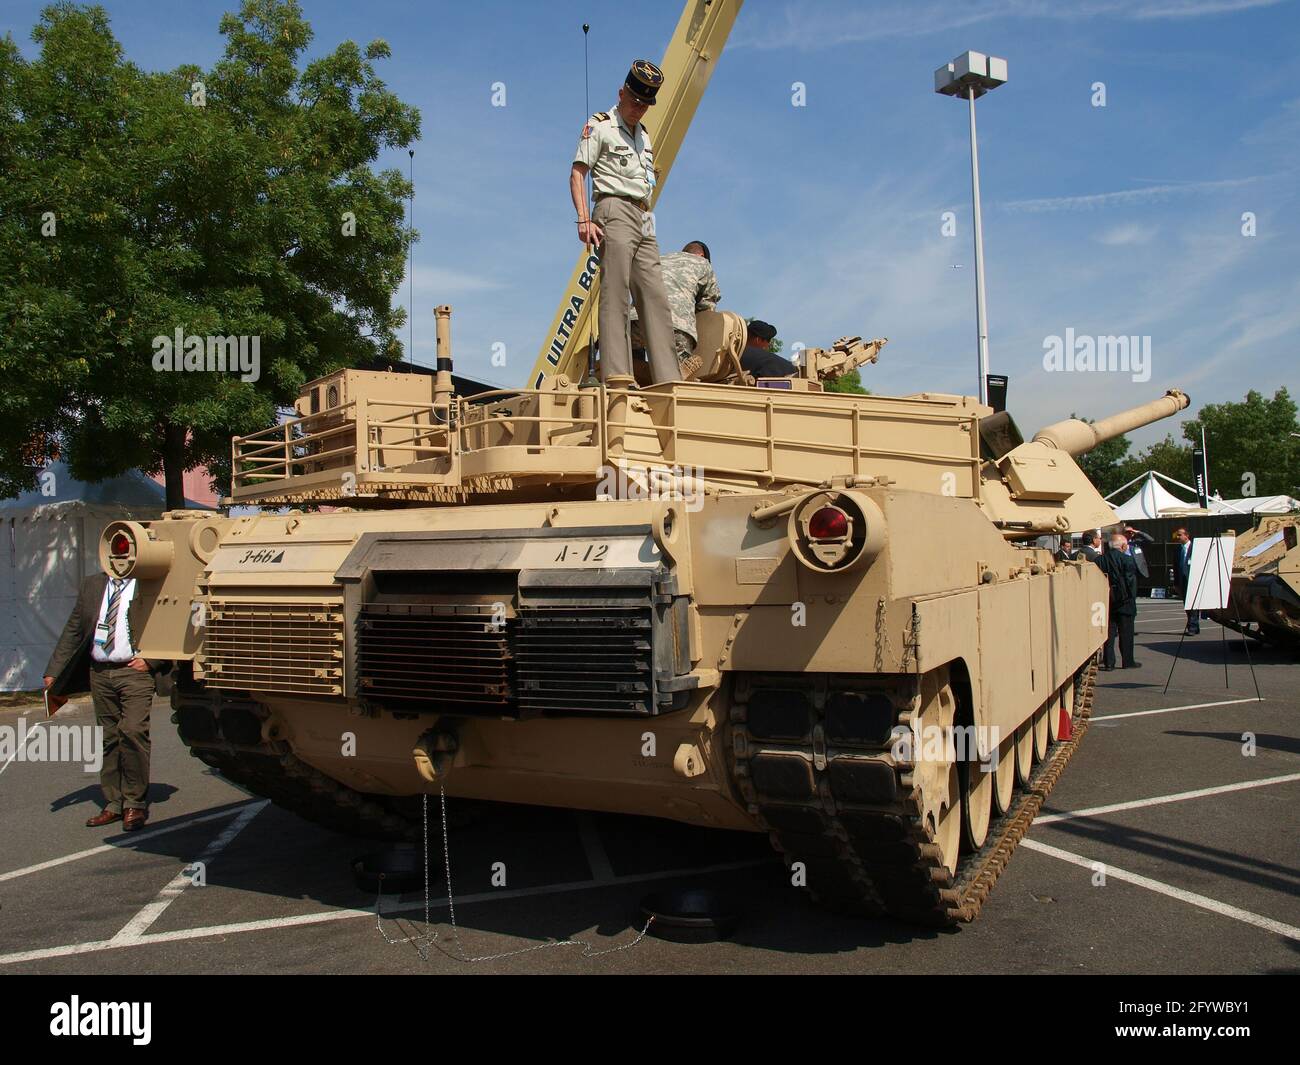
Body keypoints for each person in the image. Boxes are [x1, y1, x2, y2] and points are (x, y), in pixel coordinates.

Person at [571, 60, 677, 385]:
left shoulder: (645, 136)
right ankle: (618, 375)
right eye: (634, 101)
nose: (638, 108)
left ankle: (669, 380)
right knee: (615, 291)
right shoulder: (600, 125)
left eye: (645, 104)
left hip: (645, 215)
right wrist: (583, 219)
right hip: (613, 208)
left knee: (655, 296)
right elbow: (578, 173)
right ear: (621, 93)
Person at [44, 573, 170, 831]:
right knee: (109, 738)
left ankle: (134, 802)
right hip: (99, 672)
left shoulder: (149, 581)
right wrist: (54, 670)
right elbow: (74, 628)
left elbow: (170, 623)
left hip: (134, 672)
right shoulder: (93, 584)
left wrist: (153, 660)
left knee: (133, 731)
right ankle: (114, 803)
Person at [631, 240, 721, 378]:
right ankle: (678, 371)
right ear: (702, 255)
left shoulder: (660, 259)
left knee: (632, 364)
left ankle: (634, 373)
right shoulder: (703, 264)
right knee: (678, 378)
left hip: (636, 320)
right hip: (675, 324)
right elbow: (708, 306)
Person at [1094, 531, 1141, 670]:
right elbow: (1131, 582)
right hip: (1124, 601)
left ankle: (1109, 662)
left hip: (1106, 600)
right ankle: (1128, 661)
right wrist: (1131, 598)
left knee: (1108, 633)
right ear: (1124, 546)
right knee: (1126, 632)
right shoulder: (1127, 560)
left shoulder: (1099, 560)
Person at [1173, 527, 1200, 635]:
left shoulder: (1195, 548)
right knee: (1187, 604)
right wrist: (1175, 583)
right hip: (1182, 580)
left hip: (1192, 580)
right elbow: (1175, 566)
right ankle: (1193, 625)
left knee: (1192, 604)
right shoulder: (1178, 549)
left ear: (1187, 535)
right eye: (1177, 535)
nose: (1178, 537)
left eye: (1180, 535)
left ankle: (1192, 626)